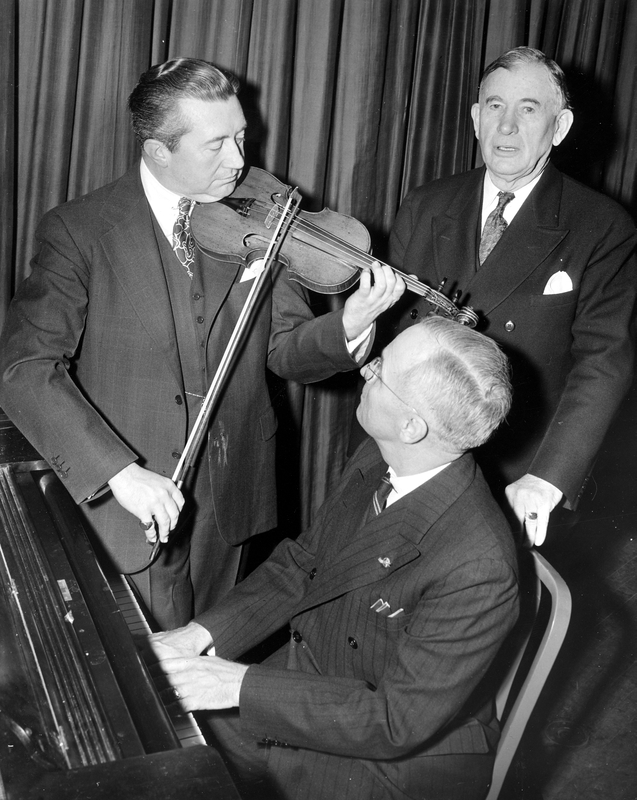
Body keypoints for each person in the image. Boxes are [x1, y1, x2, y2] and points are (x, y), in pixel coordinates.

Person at [0, 58, 404, 630]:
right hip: (129, 506)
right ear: (158, 150)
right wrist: (120, 473)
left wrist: (348, 326)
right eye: (216, 145)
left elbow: (285, 347)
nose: (239, 161)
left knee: (206, 660)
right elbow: (24, 368)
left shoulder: (263, 214)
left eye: (242, 137)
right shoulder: (80, 231)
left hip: (230, 494)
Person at [143, 316, 519, 800]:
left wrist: (237, 686)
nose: (365, 371)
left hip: (391, 765)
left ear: (412, 426)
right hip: (317, 680)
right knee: (158, 742)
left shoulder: (479, 566)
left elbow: (392, 722)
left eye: (380, 370)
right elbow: (303, 564)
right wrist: (199, 636)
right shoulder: (378, 458)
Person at [386, 47, 637, 547]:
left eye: (528, 109)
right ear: (477, 118)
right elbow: (393, 331)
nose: (507, 127)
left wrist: (550, 477)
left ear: (560, 127)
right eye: (495, 107)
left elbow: (604, 362)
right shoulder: (424, 204)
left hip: (519, 469)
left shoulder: (603, 226)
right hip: (412, 450)